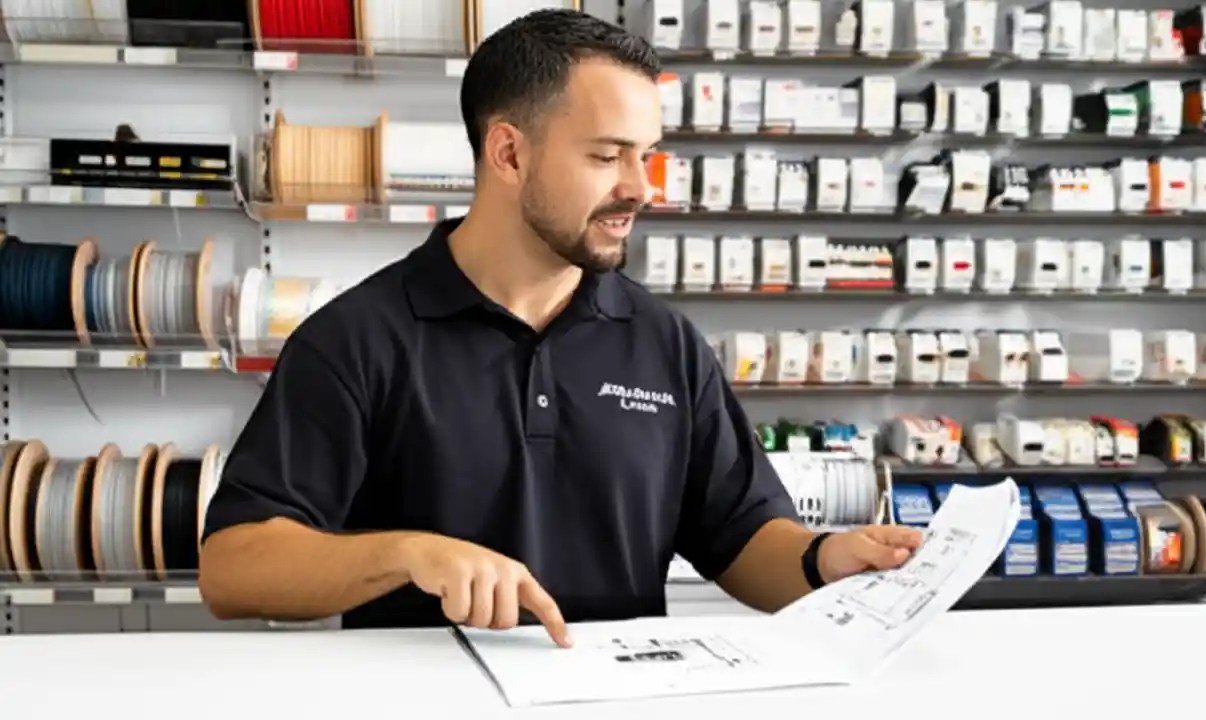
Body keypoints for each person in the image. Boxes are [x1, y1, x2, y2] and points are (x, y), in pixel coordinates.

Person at [197, 9, 922, 647]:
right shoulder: (358, 339)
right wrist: (408, 554)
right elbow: (234, 568)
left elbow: (741, 537)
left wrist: (822, 559)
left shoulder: (663, 342)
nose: (641, 186)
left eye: (647, 154)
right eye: (607, 156)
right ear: (508, 153)